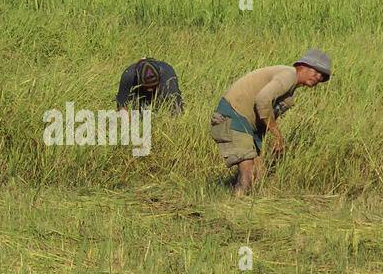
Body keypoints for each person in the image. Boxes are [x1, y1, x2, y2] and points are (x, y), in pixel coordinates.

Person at [211, 49, 331, 195]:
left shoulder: (290, 89)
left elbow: (264, 113)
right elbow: (262, 100)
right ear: (302, 66)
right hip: (233, 116)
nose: (318, 77)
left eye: (322, 76)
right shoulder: (289, 74)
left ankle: (242, 205)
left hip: (246, 124)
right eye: (316, 71)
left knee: (258, 174)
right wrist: (277, 134)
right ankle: (236, 207)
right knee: (248, 172)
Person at [115, 58, 184, 114]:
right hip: (140, 91)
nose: (150, 89)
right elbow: (121, 104)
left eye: (152, 87)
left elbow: (176, 107)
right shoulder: (128, 76)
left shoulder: (167, 75)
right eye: (147, 87)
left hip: (161, 87)